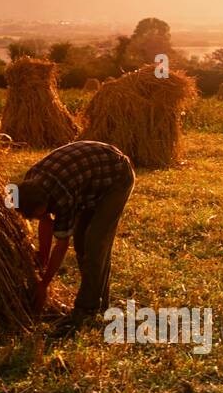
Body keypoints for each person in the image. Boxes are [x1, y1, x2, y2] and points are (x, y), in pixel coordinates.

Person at [13, 140, 135, 338]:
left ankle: (86, 310)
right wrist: (43, 256)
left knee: (95, 244)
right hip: (88, 181)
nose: (38, 218)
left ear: (46, 202)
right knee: (82, 244)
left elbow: (61, 246)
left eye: (39, 213)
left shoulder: (63, 197)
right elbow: (45, 219)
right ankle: (97, 299)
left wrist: (43, 285)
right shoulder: (30, 182)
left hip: (116, 176)